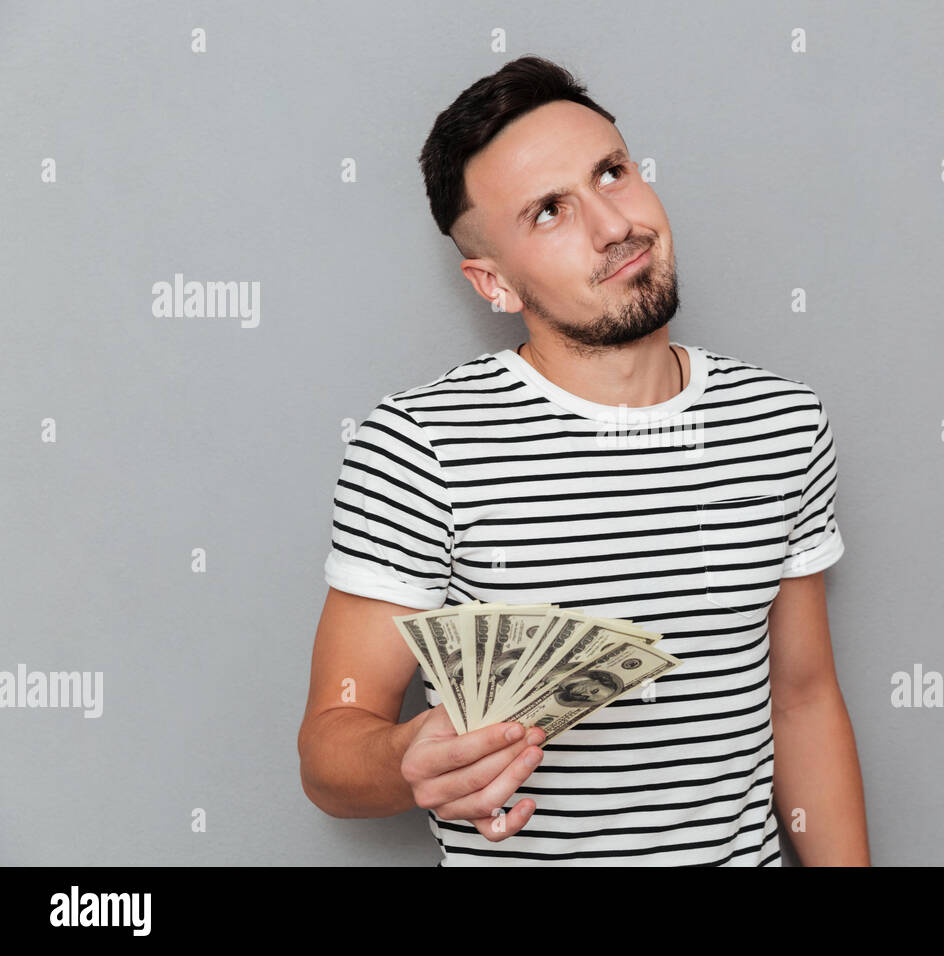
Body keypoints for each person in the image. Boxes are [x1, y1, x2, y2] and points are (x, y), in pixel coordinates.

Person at [297, 55, 870, 866]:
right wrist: (405, 759)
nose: (613, 225)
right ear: (491, 282)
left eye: (612, 172)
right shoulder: (418, 447)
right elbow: (329, 753)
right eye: (548, 213)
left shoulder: (782, 422)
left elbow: (803, 700)